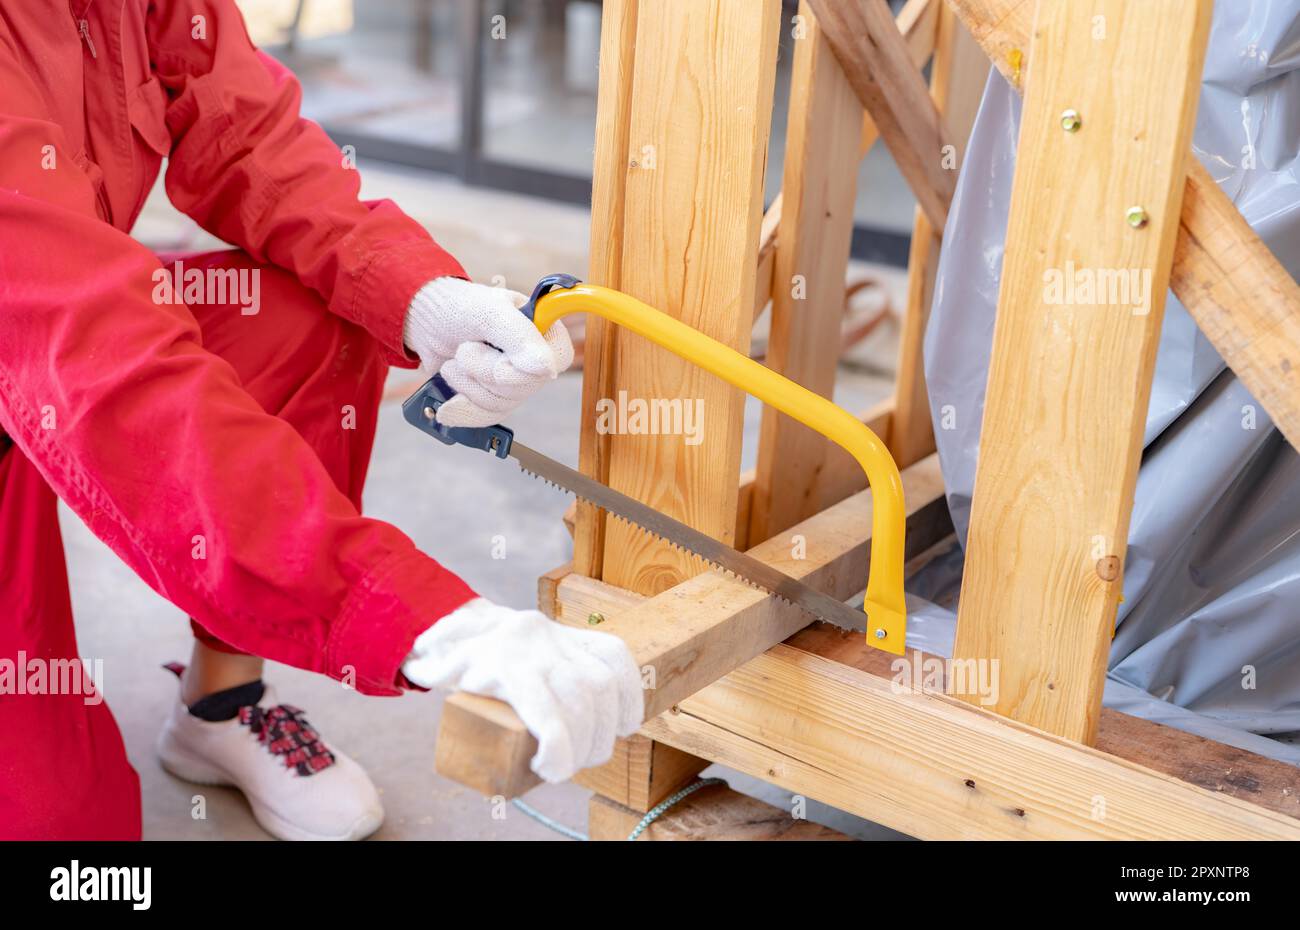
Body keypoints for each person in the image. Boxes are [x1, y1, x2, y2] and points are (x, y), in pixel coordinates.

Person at [0, 0, 642, 841]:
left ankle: (220, 704)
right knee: (67, 844)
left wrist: (417, 295)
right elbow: (103, 371)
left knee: (313, 307)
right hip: (47, 339)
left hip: (46, 333)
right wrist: (415, 616)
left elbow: (246, 139)